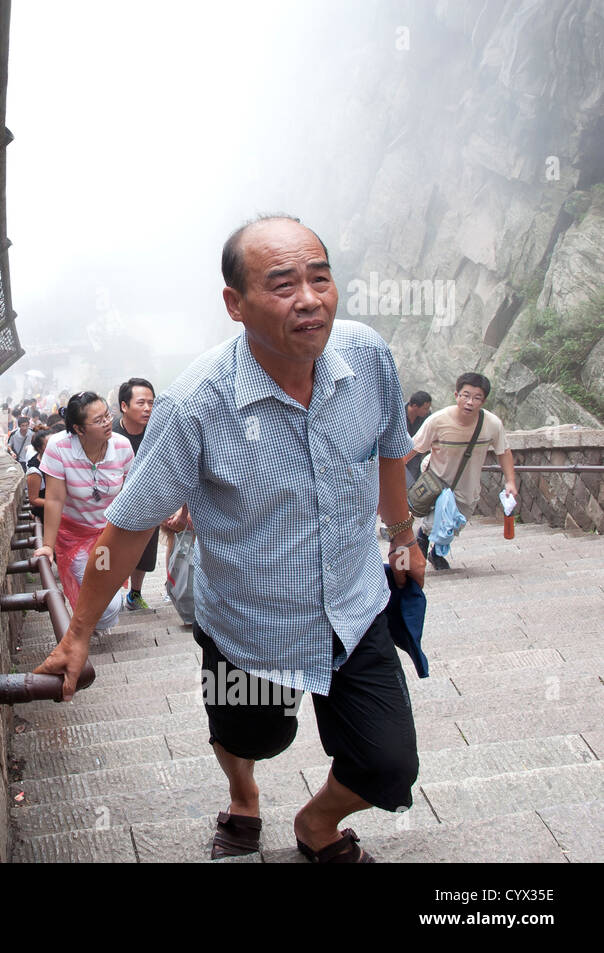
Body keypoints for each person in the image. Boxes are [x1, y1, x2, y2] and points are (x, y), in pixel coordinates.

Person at [34, 216, 425, 863]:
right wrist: (76, 632)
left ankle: (316, 823)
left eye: (319, 278)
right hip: (249, 624)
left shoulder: (367, 355)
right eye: (282, 284)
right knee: (248, 735)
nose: (308, 298)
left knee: (388, 763)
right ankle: (243, 796)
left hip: (356, 606)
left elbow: (389, 449)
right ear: (234, 304)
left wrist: (403, 532)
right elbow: (128, 525)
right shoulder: (195, 405)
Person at [32, 393, 134, 637]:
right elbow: (55, 500)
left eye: (108, 416)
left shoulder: (121, 446)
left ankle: (86, 625)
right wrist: (48, 545)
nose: (108, 422)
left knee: (108, 601)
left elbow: (130, 493)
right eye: (98, 420)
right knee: (88, 584)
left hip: (106, 537)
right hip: (74, 537)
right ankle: (82, 633)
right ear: (78, 428)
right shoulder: (59, 447)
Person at [403, 374, 516, 570]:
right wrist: (387, 473)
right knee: (436, 520)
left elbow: (503, 451)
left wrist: (510, 482)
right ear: (456, 395)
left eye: (477, 397)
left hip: (467, 485)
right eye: (465, 395)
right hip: (437, 479)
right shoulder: (437, 421)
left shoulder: (492, 424)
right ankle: (424, 541)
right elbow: (414, 449)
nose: (470, 402)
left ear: (484, 400)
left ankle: (435, 550)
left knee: (456, 523)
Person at [111, 377, 173, 610]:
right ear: (124, 406)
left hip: (148, 504)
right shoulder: (112, 435)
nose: (147, 408)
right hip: (114, 506)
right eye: (141, 403)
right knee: (111, 553)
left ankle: (134, 594)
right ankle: (110, 595)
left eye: (151, 403)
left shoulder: (157, 432)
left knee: (145, 554)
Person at [404, 391, 432, 486]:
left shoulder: (427, 418)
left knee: (410, 483)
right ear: (415, 406)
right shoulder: (398, 413)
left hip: (415, 454)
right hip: (396, 452)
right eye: (425, 408)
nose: (427, 411)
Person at [25, 429, 52, 521]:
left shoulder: (57, 461)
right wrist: (55, 504)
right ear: (39, 448)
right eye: (49, 445)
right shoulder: (35, 471)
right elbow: (33, 499)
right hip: (47, 516)